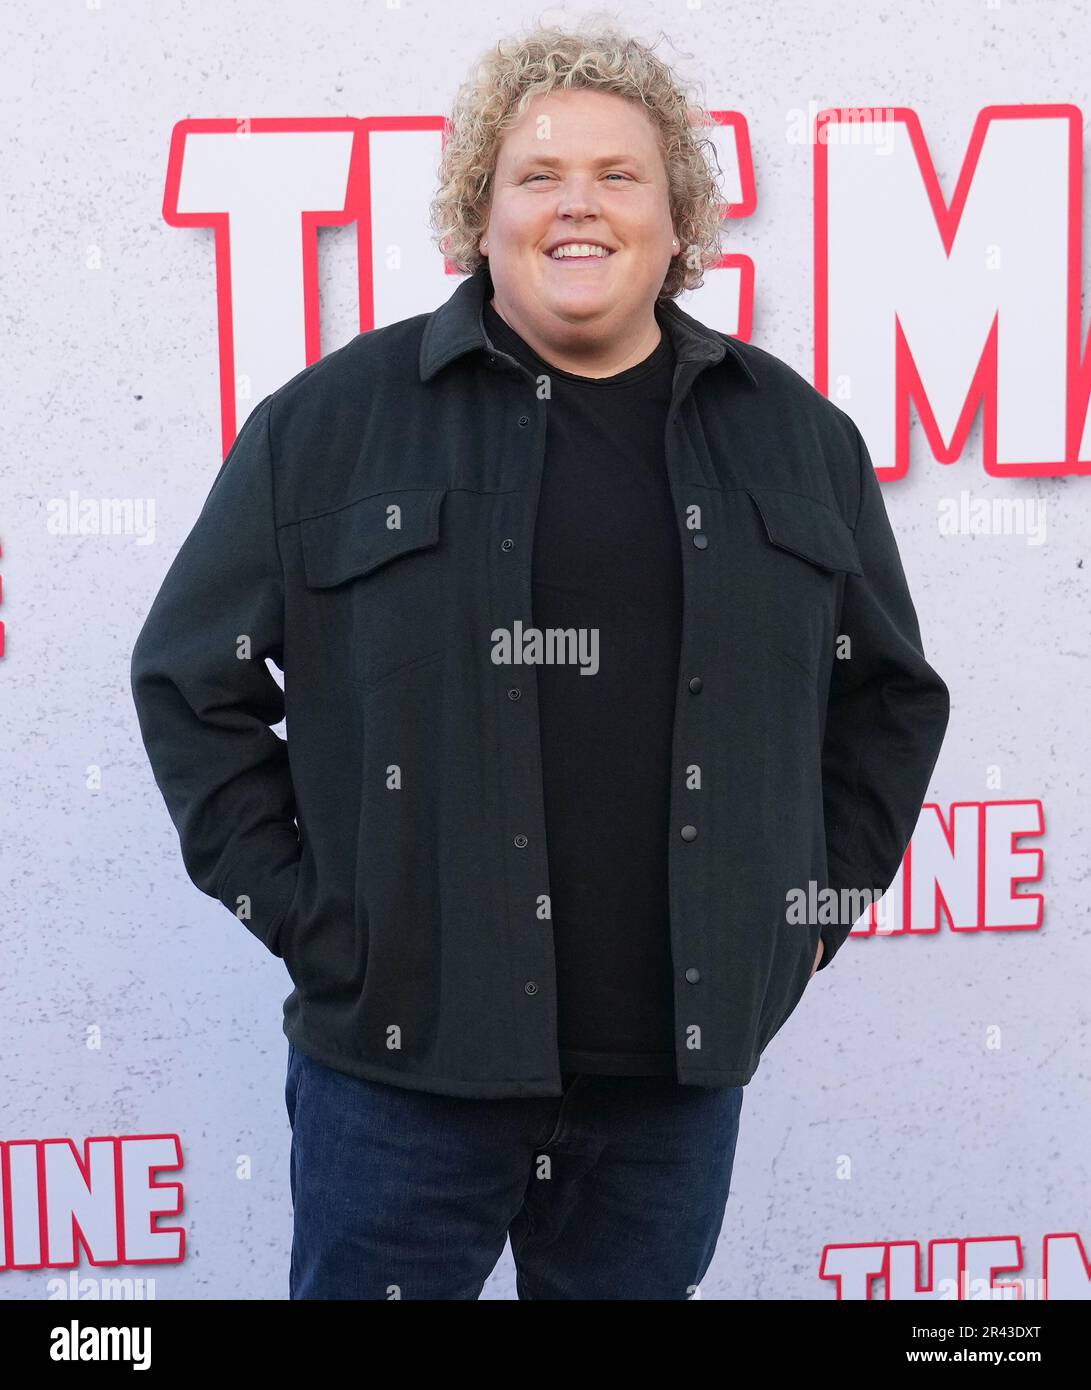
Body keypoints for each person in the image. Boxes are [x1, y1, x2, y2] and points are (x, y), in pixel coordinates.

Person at [130, 23, 950, 1300]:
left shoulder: (798, 442)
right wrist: (318, 922)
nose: (579, 202)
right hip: (399, 1077)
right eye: (538, 173)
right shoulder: (330, 427)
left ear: (679, 218)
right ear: (479, 212)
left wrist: (793, 925)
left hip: (665, 1095)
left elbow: (887, 702)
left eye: (620, 175)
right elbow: (192, 683)